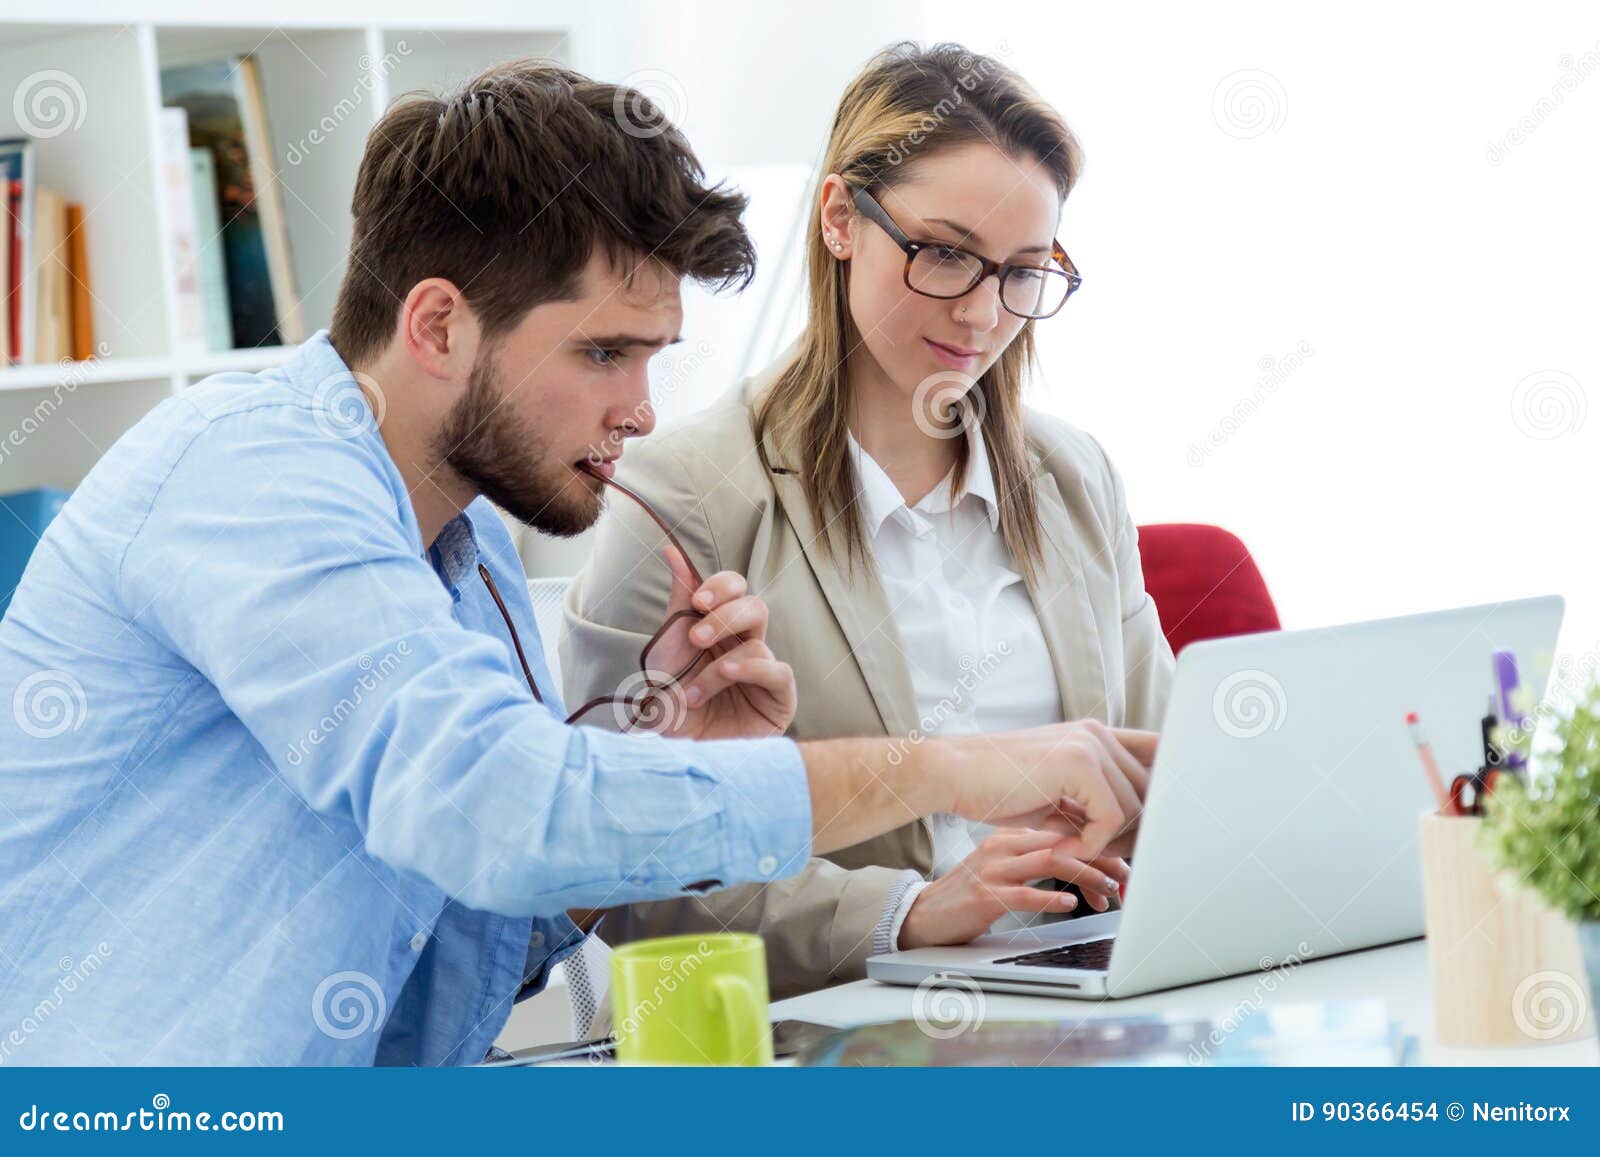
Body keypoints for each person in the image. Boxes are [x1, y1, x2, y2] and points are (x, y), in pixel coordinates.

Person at [0, 61, 1150, 1066]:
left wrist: (658, 763)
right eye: (604, 352)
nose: (641, 412)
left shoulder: (470, 544)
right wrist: (952, 766)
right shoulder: (250, 474)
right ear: (439, 325)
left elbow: (476, 926)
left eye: (653, 357)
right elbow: (499, 807)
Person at [561, 43, 1174, 1007]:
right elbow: (633, 876)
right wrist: (914, 910)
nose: (982, 312)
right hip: (863, 1031)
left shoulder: (1075, 477)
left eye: (1023, 272)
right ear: (842, 217)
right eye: (943, 253)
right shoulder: (682, 498)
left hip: (1097, 988)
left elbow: (1166, 763)